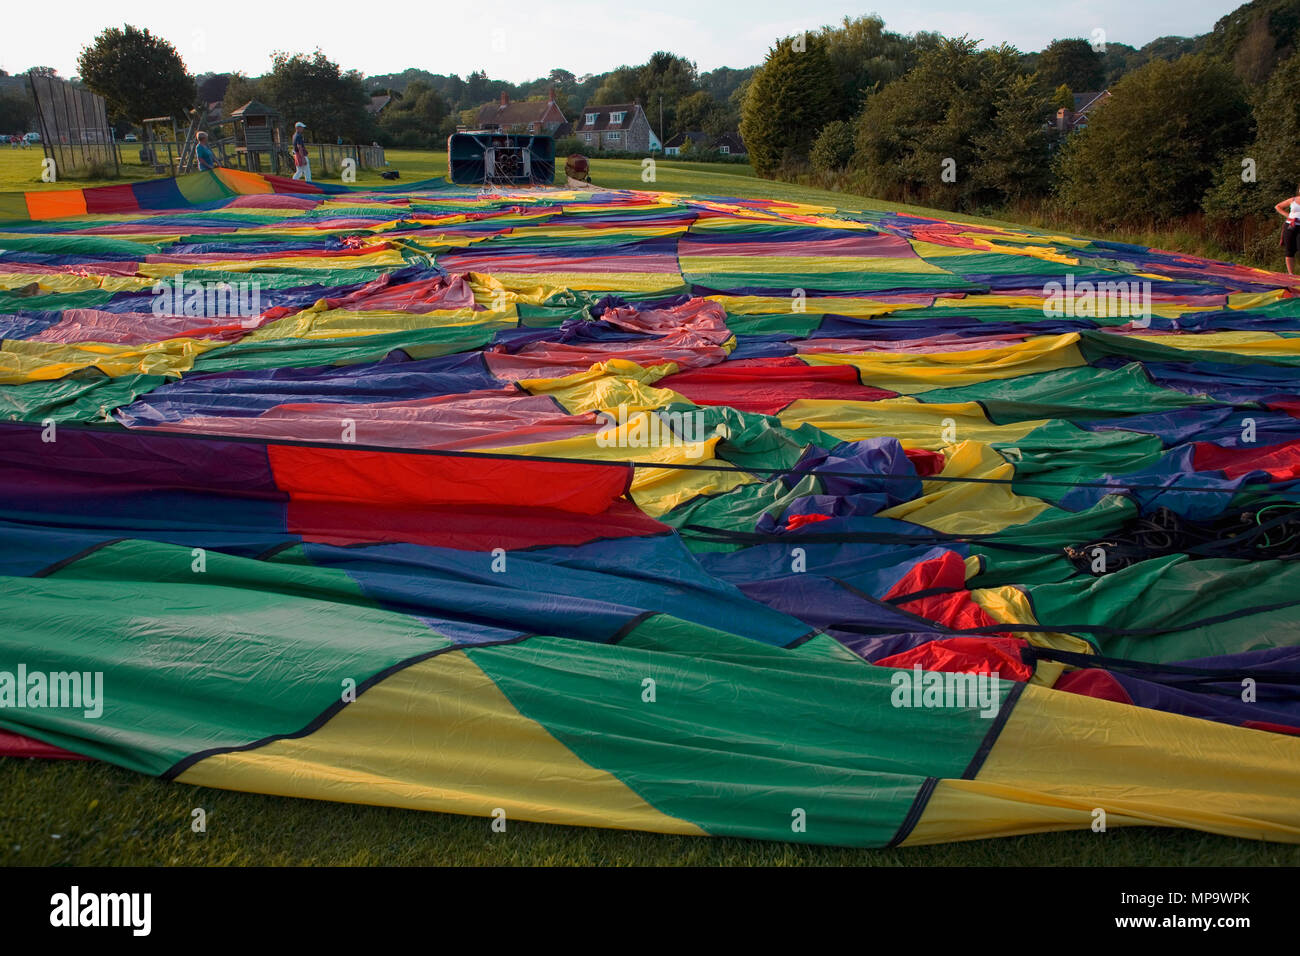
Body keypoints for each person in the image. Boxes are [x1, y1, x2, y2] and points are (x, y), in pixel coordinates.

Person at [1274, 187, 1300, 275]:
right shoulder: (1292, 200)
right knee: (1289, 249)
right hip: (1290, 225)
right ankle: (1290, 273)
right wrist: (1288, 215)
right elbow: (1278, 206)